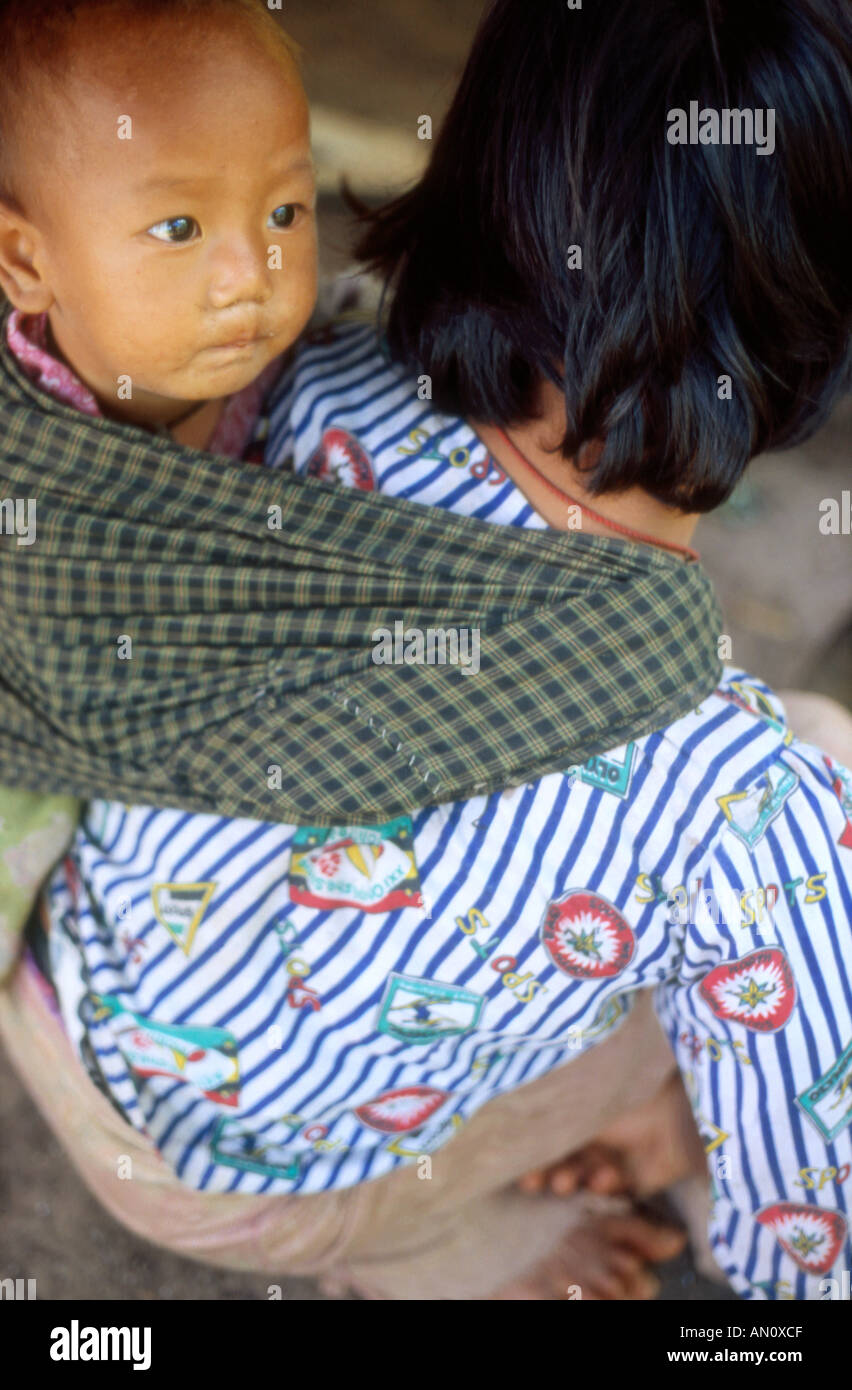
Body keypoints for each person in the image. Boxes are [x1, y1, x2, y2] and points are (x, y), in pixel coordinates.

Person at [0, 0, 850, 1302]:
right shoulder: (741, 802)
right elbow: (808, 1249)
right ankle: (469, 1232)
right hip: (245, 1188)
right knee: (820, 777)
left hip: (75, 1021)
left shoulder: (285, 384)